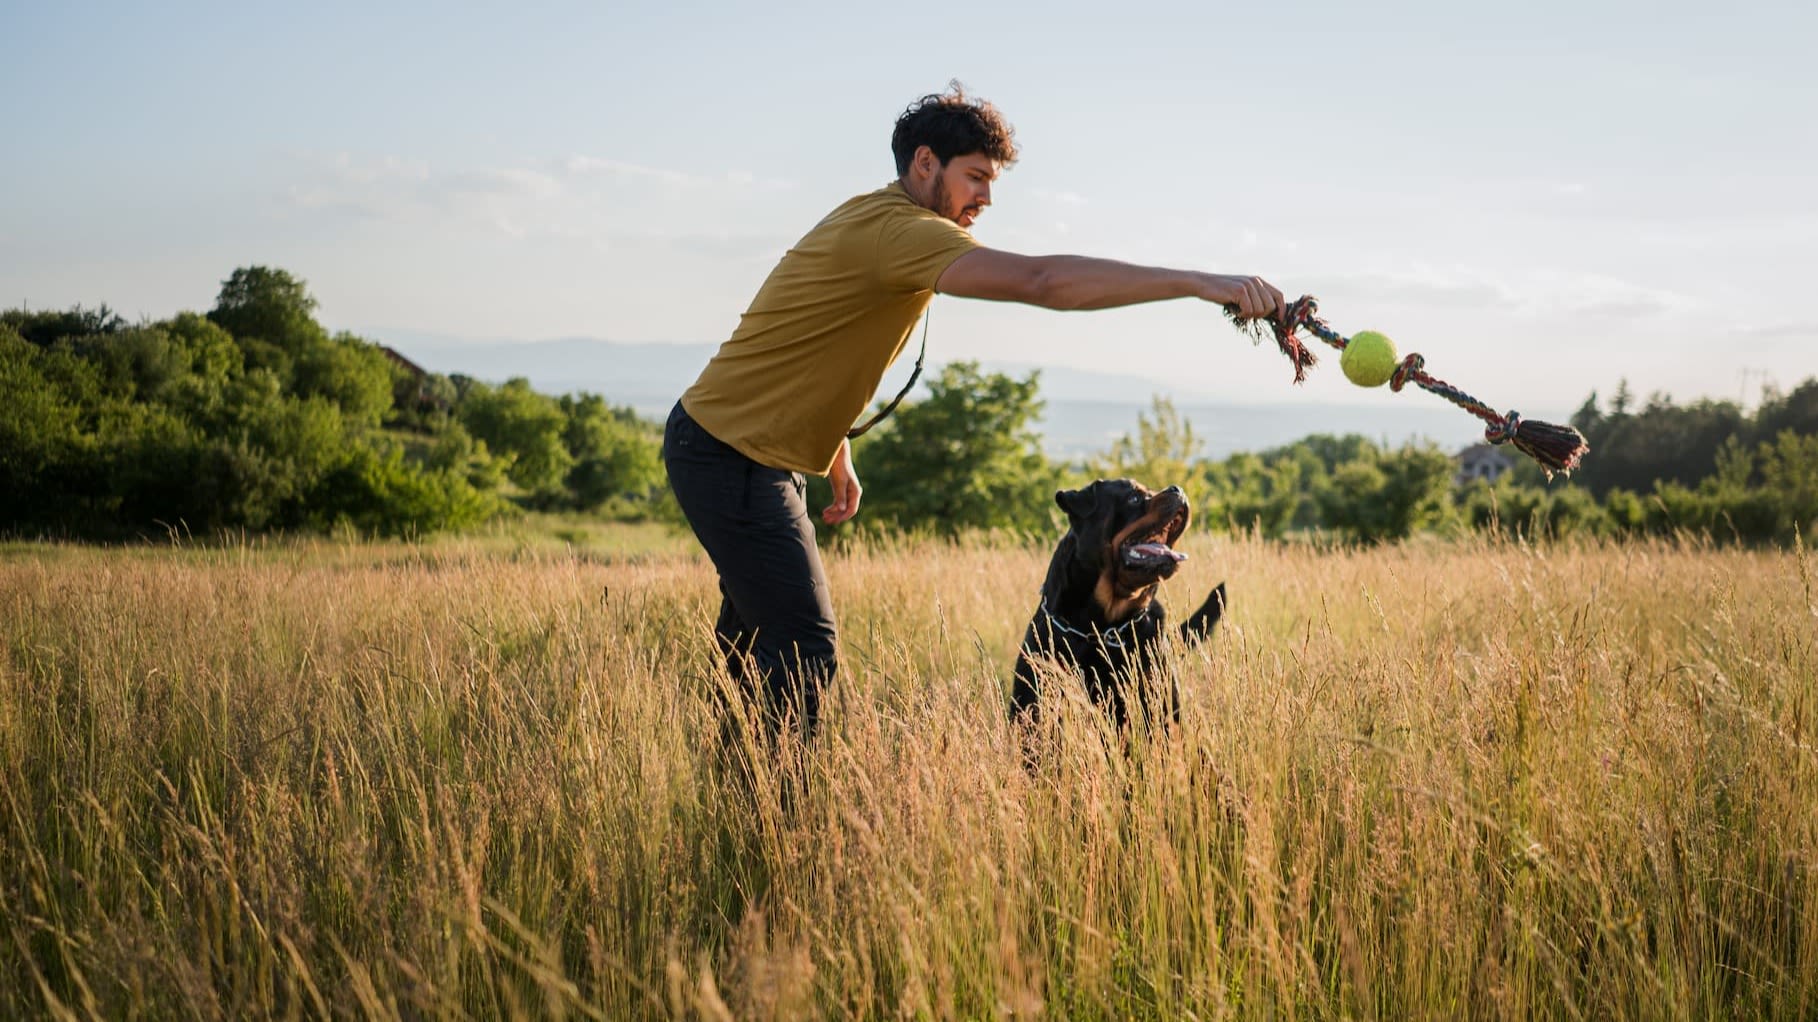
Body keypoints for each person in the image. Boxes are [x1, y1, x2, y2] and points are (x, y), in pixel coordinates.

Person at [663, 84, 1284, 737]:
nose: (986, 198)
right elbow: (1043, 283)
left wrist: (834, 443)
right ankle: (776, 819)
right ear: (925, 164)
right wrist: (1199, 284)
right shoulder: (901, 230)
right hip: (731, 458)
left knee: (752, 649)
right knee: (802, 650)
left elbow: (807, 330)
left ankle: (731, 798)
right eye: (976, 177)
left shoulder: (872, 218)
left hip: (742, 450)